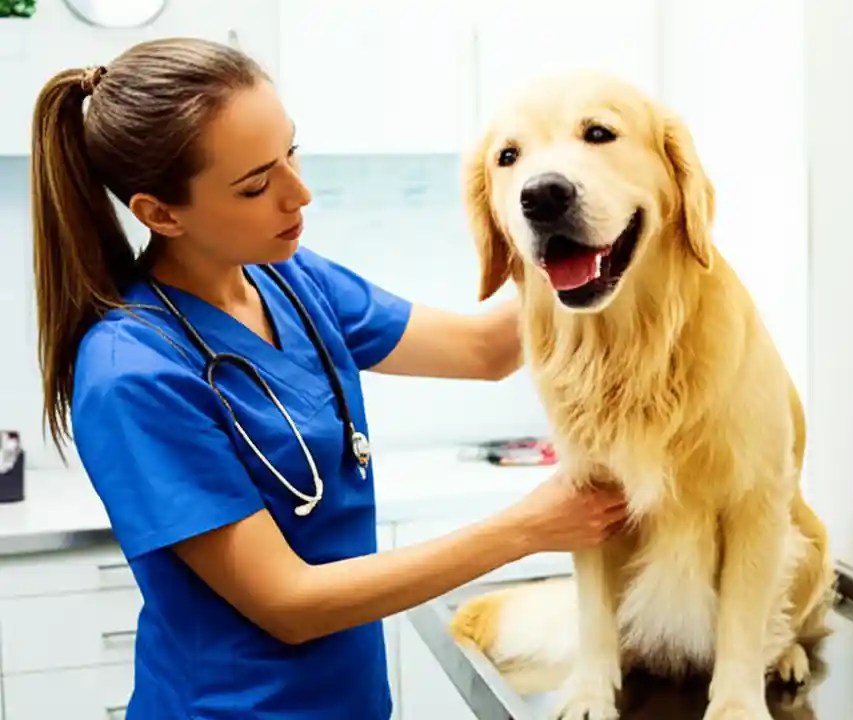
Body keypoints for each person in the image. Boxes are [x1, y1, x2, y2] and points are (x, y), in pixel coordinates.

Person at [30, 38, 627, 719]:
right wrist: (527, 528)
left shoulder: (288, 277)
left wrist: (603, 236)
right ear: (161, 214)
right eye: (256, 184)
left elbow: (485, 349)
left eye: (291, 152)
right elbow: (290, 604)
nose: (298, 192)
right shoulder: (133, 373)